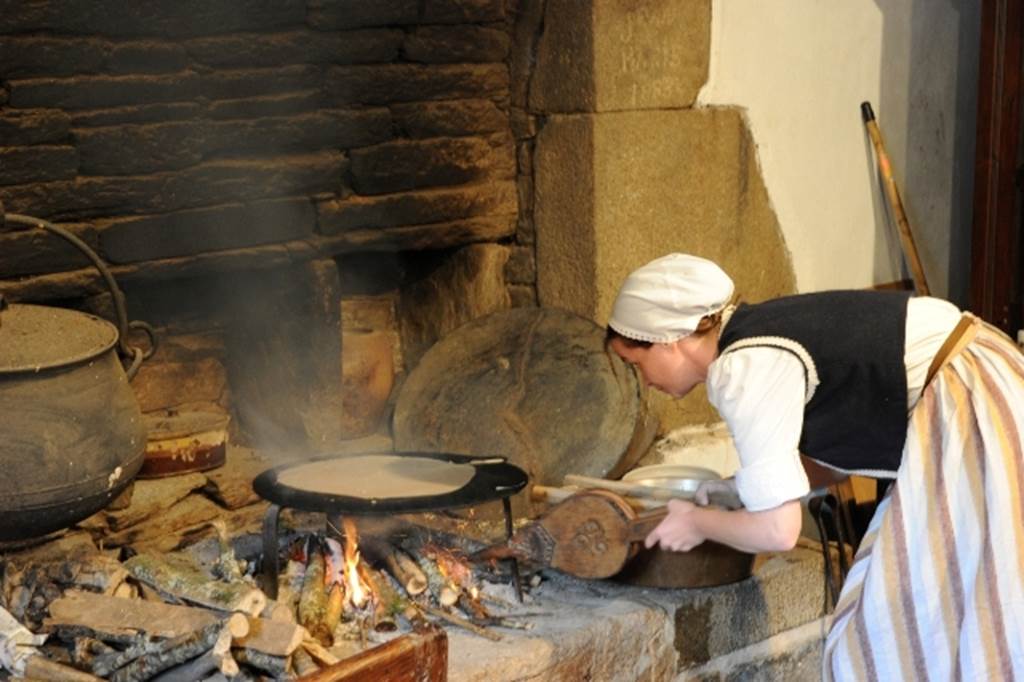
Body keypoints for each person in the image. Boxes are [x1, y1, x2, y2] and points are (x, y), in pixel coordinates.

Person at [605, 253, 1024, 680]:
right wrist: (736, 489)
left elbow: (778, 531)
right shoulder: (758, 339)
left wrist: (696, 523)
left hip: (970, 402)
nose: (646, 382)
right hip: (980, 378)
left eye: (637, 363)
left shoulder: (742, 368)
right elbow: (834, 465)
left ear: (669, 339)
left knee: (919, 623)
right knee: (953, 612)